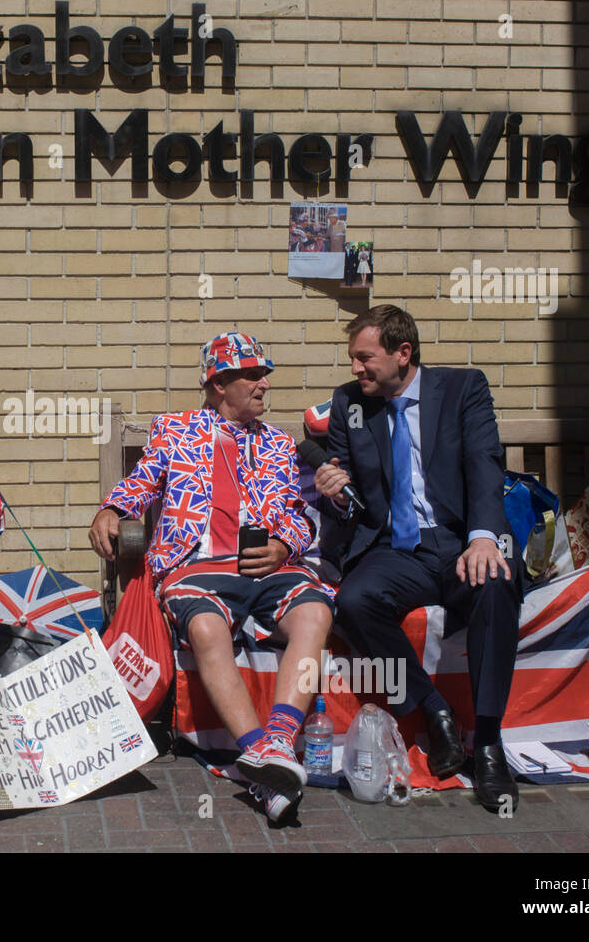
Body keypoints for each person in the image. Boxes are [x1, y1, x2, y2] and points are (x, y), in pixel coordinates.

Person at [89, 332, 335, 822]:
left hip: (267, 568)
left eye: (265, 374)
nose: (265, 384)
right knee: (205, 626)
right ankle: (265, 766)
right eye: (254, 375)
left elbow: (298, 513)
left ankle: (276, 746)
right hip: (195, 568)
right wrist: (112, 510)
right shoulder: (175, 430)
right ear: (219, 384)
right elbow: (139, 484)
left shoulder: (278, 444)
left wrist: (284, 545)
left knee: (315, 610)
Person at [313, 306, 525, 812]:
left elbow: (484, 466)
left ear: (402, 353)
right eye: (353, 360)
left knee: (496, 580)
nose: (356, 370)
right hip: (395, 549)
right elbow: (351, 500)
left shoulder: (462, 388)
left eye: (366, 358)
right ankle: (434, 711)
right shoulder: (349, 404)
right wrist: (337, 494)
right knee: (356, 600)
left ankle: (490, 744)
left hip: (456, 541)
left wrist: (483, 538)